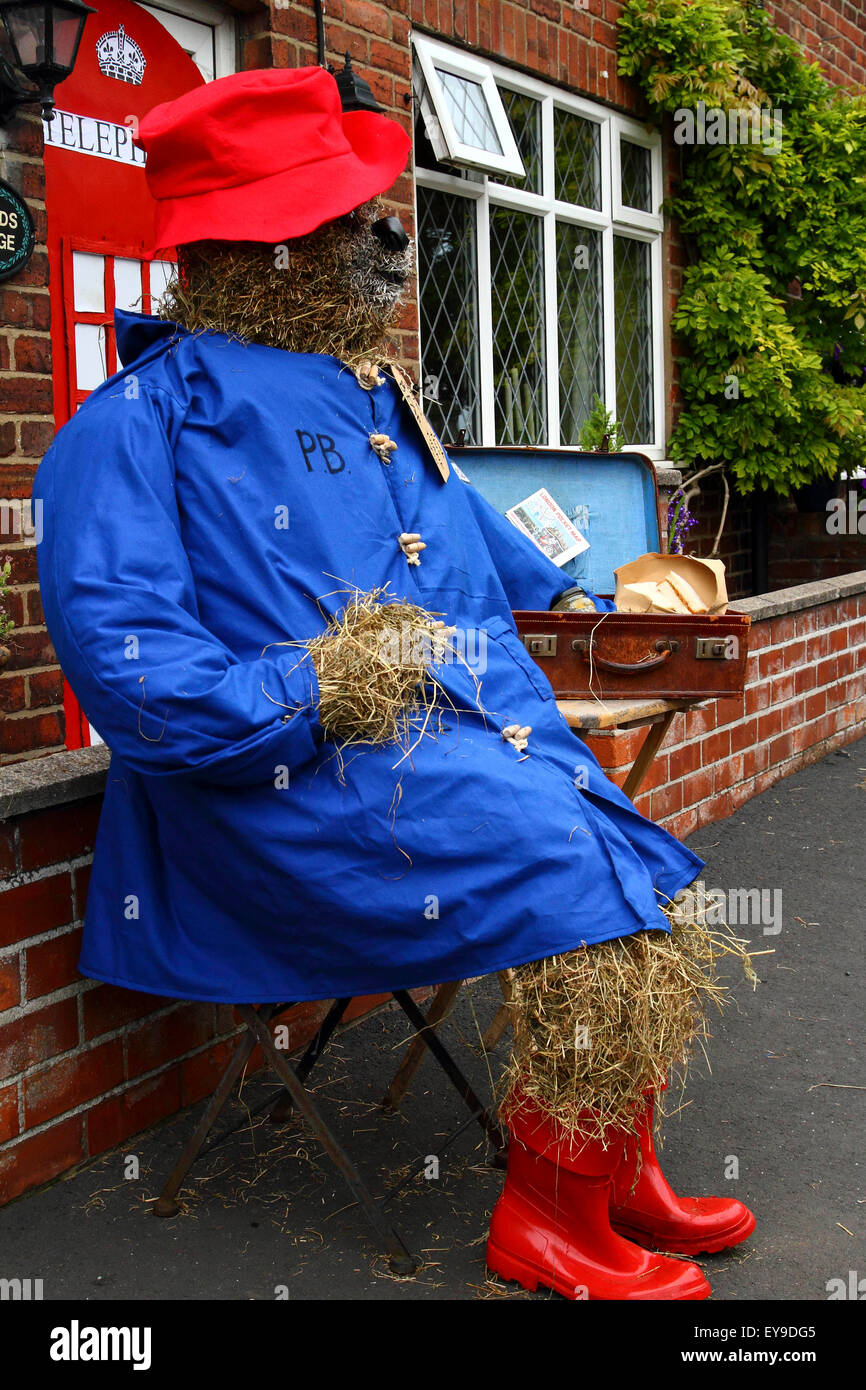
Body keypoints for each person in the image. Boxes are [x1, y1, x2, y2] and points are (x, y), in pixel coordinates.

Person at [34, 67, 753, 1299]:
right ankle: (544, 1222)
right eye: (340, 213)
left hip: (460, 745)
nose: (385, 233)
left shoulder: (378, 396)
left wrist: (593, 606)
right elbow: (136, 676)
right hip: (279, 796)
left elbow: (484, 542)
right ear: (256, 253)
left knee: (642, 878)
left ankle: (601, 1177)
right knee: (584, 887)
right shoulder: (130, 426)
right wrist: (320, 687)